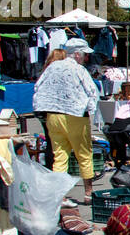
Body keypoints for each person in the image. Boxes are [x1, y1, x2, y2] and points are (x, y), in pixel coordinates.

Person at [33, 39, 100, 204]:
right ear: (77, 54)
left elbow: (38, 87)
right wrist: (90, 109)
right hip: (75, 116)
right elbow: (92, 91)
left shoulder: (52, 67)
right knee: (84, 154)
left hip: (53, 115)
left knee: (60, 156)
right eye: (84, 55)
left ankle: (60, 195)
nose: (85, 58)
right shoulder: (78, 69)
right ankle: (88, 193)